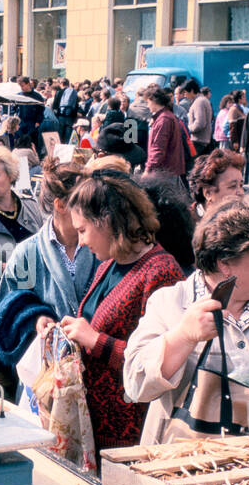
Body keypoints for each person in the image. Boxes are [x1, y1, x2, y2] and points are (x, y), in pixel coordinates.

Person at [125, 196, 249, 444]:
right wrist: (182, 337)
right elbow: (136, 386)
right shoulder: (170, 303)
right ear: (225, 263)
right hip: (181, 465)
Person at [57, 171, 186, 453]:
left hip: (130, 434)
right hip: (100, 424)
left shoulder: (161, 273)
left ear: (107, 222)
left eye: (82, 230)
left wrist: (95, 341)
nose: (80, 242)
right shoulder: (110, 261)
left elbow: (165, 363)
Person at [0, 159, 96, 350]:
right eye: (84, 202)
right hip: (47, 369)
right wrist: (36, 317)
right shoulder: (28, 253)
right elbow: (7, 313)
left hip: (96, 362)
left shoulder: (101, 246)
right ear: (61, 205)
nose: (93, 209)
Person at [143, 86, 190, 180]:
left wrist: (148, 170)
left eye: (148, 102)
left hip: (165, 172)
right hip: (169, 170)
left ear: (153, 100)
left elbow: (158, 149)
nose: (147, 106)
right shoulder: (166, 116)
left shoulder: (164, 120)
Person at [187, 148, 245, 219]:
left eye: (241, 185)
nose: (241, 193)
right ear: (208, 193)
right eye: (233, 186)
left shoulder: (242, 222)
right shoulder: (186, 224)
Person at [188, 84, 214, 155]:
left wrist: (189, 128)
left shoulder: (199, 102)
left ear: (192, 91)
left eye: (185, 93)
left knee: (194, 164)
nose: (185, 95)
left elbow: (200, 123)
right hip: (203, 140)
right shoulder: (203, 100)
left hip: (198, 140)